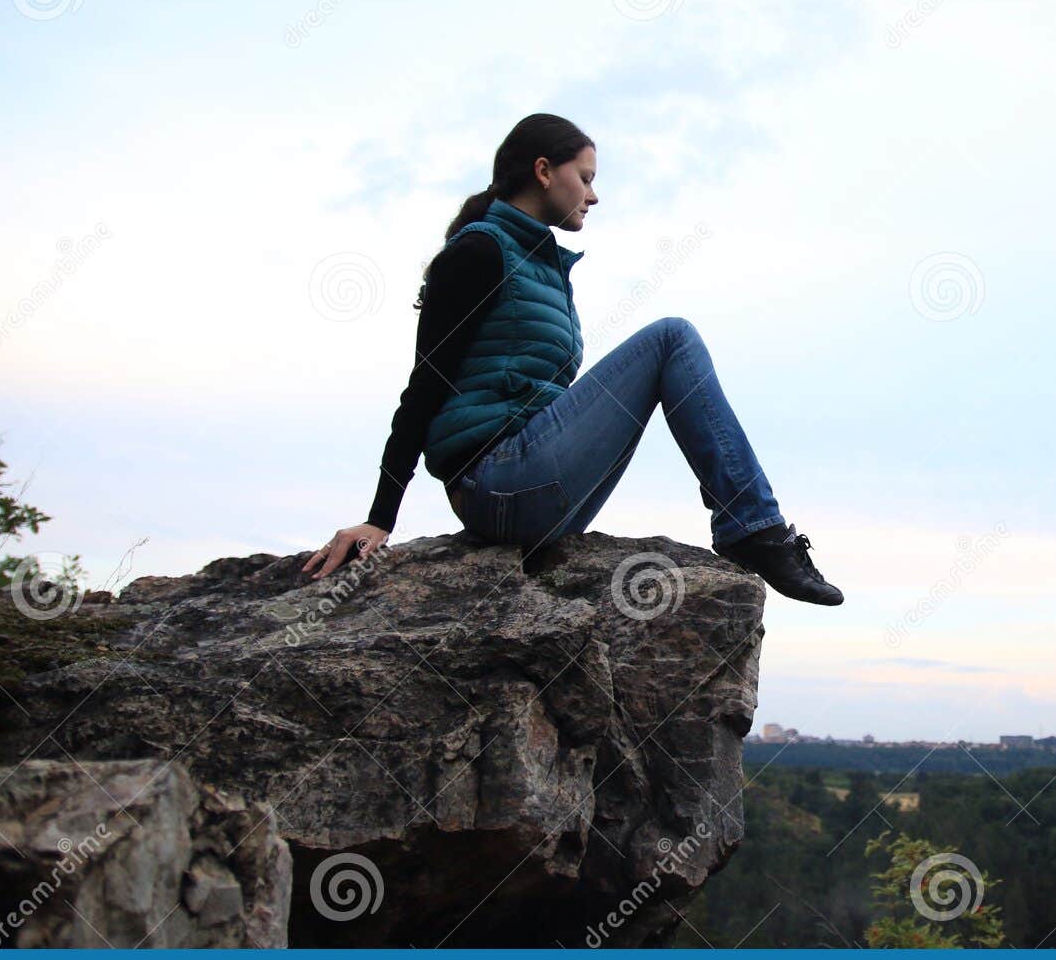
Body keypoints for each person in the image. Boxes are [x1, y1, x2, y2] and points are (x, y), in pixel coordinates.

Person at [302, 112, 843, 606]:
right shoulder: (479, 252)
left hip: (530, 494)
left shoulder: (542, 266)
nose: (593, 195)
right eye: (585, 178)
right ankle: (755, 531)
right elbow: (425, 385)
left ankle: (750, 527)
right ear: (543, 171)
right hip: (497, 483)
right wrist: (380, 518)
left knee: (668, 347)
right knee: (672, 339)